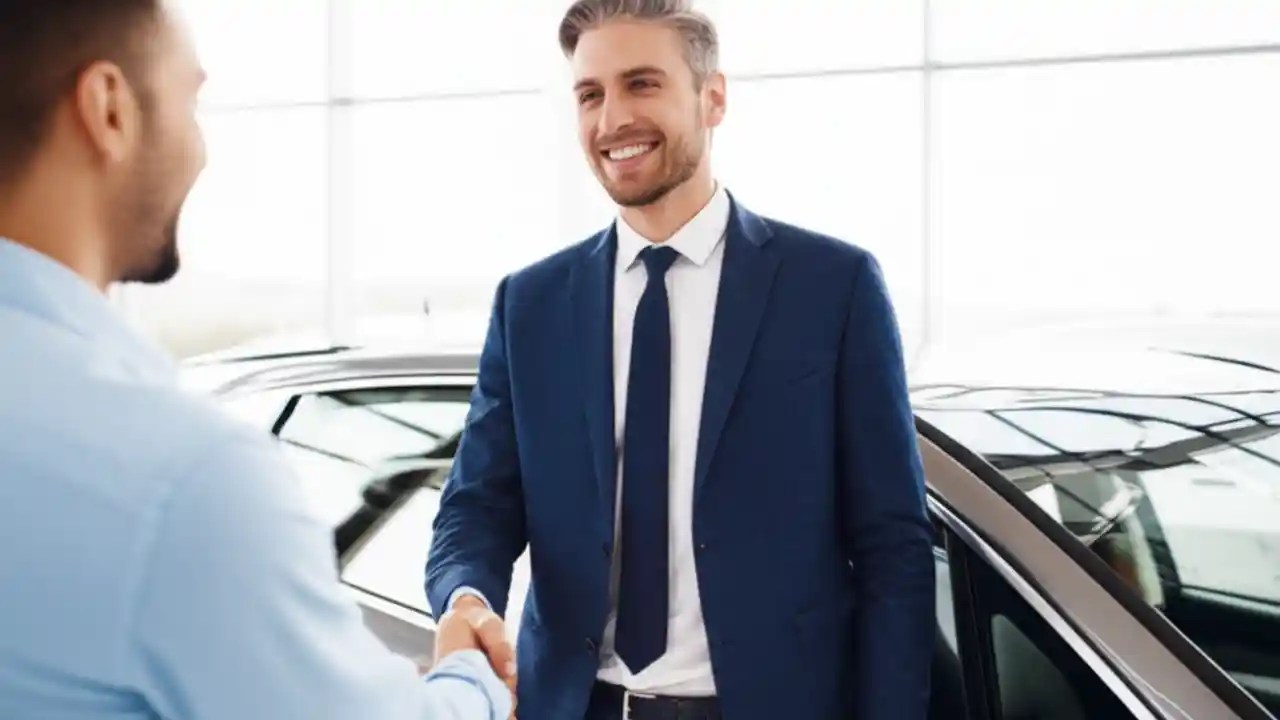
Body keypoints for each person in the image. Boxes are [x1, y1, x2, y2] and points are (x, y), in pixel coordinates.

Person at [0, 2, 513, 718]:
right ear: (108, 108)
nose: (202, 150)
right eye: (192, 99)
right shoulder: (178, 478)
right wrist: (470, 679)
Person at [425, 0, 936, 718]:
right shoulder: (532, 304)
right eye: (590, 94)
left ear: (712, 98)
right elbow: (478, 505)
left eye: (642, 84)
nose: (611, 122)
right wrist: (467, 599)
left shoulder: (831, 288)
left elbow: (894, 549)